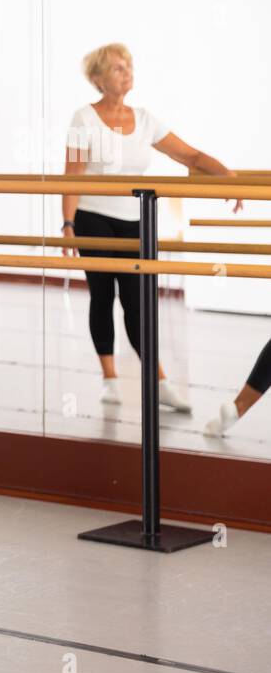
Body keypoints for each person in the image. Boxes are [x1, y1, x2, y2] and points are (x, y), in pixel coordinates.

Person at [62, 42, 239, 411]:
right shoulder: (83, 118)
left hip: (135, 219)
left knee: (137, 303)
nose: (126, 71)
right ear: (97, 78)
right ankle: (109, 378)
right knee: (102, 295)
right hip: (93, 217)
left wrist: (228, 176)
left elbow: (189, 155)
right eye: (116, 67)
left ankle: (158, 381)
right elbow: (73, 174)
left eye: (128, 65)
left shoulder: (144, 119)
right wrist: (67, 224)